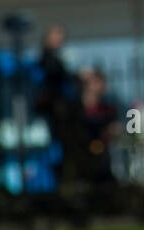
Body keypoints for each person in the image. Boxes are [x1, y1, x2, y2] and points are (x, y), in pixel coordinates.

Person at [34, 24, 77, 184]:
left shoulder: (54, 59)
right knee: (53, 150)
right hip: (51, 113)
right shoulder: (47, 61)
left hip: (55, 113)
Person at [75, 66, 121, 184]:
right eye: (95, 82)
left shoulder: (108, 110)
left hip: (103, 162)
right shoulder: (77, 111)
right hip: (83, 164)